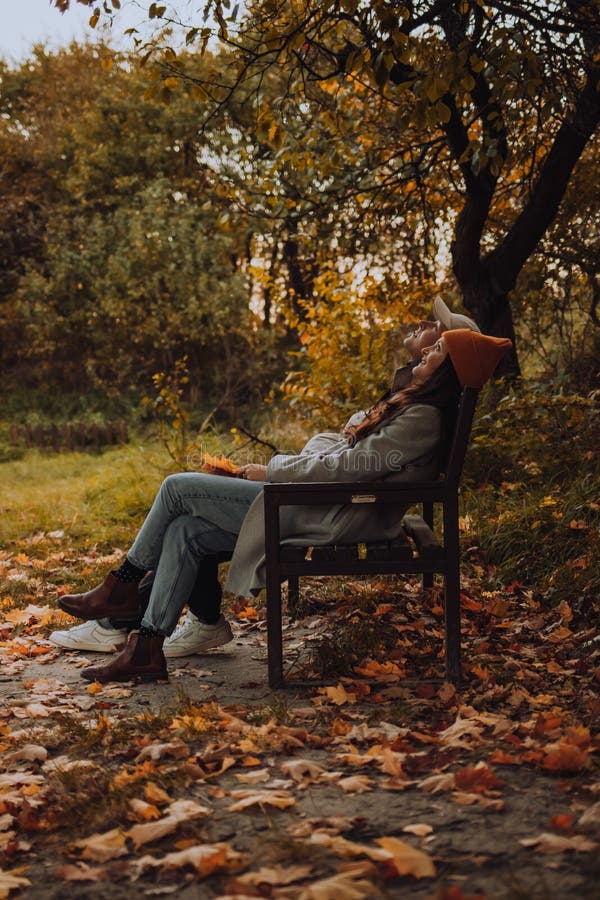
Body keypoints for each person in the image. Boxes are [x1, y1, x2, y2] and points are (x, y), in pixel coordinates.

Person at [56, 329, 511, 684]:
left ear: (445, 374)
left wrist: (274, 472)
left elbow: (350, 468)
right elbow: (345, 446)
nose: (422, 358)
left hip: (322, 510)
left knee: (177, 488)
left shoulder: (423, 418)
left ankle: (122, 585)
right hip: (314, 499)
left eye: (432, 357)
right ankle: (147, 648)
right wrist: (294, 463)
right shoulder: (411, 406)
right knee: (186, 532)